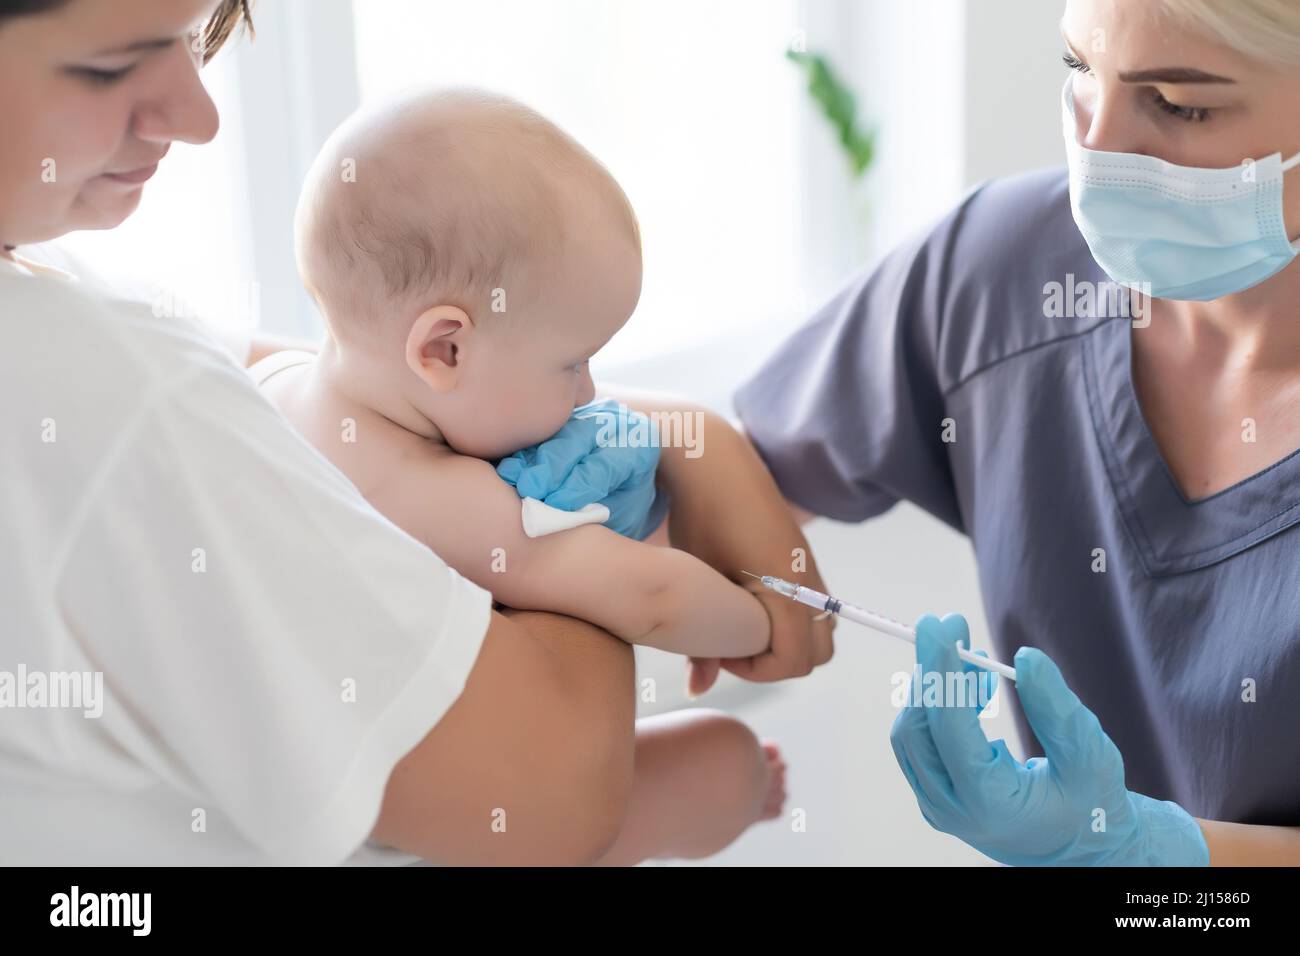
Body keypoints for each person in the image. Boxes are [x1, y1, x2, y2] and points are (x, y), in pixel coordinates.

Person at [0, 0, 830, 865]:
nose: (204, 116)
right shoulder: (123, 390)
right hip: (427, 828)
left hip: (373, 772)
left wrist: (699, 442)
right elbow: (639, 609)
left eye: (190, 38)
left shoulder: (271, 379)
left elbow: (473, 391)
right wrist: (759, 621)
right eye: (109, 63)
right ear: (442, 347)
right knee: (724, 764)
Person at [732, 0, 1300, 864]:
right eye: (1080, 72)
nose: (1099, 148)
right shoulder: (1007, 272)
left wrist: (1152, 856)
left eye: (1182, 105)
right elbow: (721, 479)